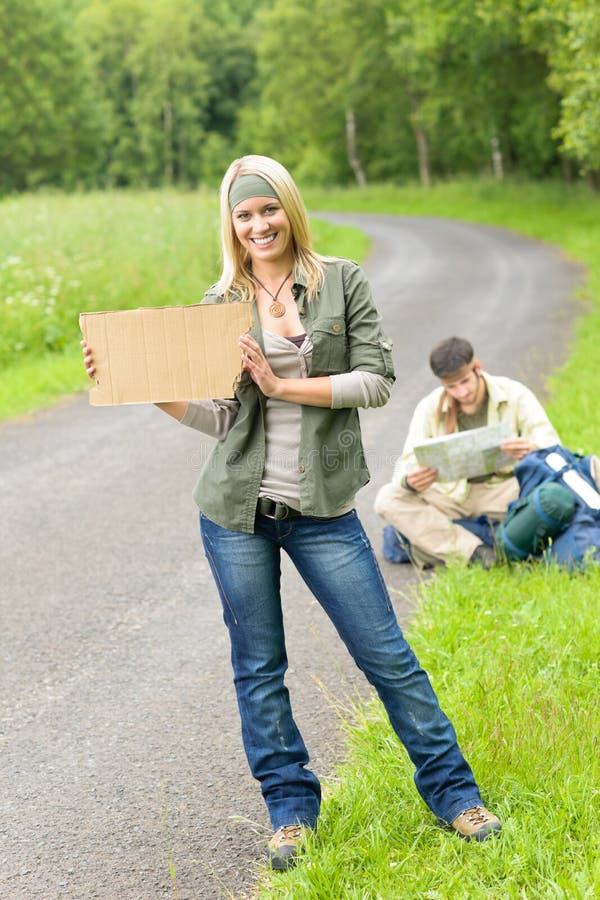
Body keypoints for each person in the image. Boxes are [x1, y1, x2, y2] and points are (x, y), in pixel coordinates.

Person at [82, 156, 501, 871]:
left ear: (289, 208)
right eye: (244, 215)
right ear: (231, 224)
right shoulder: (220, 302)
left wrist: (282, 384)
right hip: (236, 512)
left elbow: (375, 380)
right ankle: (290, 811)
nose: (258, 225)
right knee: (258, 666)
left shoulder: (341, 281)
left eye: (267, 209)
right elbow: (220, 416)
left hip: (323, 509)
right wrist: (146, 384)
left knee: (387, 658)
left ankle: (455, 795)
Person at [375, 336, 560, 569]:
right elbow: (406, 463)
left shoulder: (514, 393)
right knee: (388, 498)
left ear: (478, 367)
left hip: (505, 490)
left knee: (554, 495)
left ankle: (436, 542)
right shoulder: (429, 406)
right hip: (453, 494)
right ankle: (476, 552)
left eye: (465, 381)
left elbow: (553, 446)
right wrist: (411, 480)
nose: (461, 392)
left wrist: (530, 449)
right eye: (451, 387)